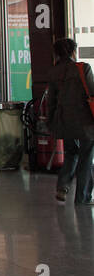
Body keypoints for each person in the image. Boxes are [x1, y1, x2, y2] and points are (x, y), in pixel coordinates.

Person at [49, 38, 94, 206]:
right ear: (73, 51)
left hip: (64, 120)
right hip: (85, 122)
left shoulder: (53, 72)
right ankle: (82, 197)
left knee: (71, 153)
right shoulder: (83, 69)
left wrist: (51, 122)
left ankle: (62, 187)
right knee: (86, 157)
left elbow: (52, 101)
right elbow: (92, 91)